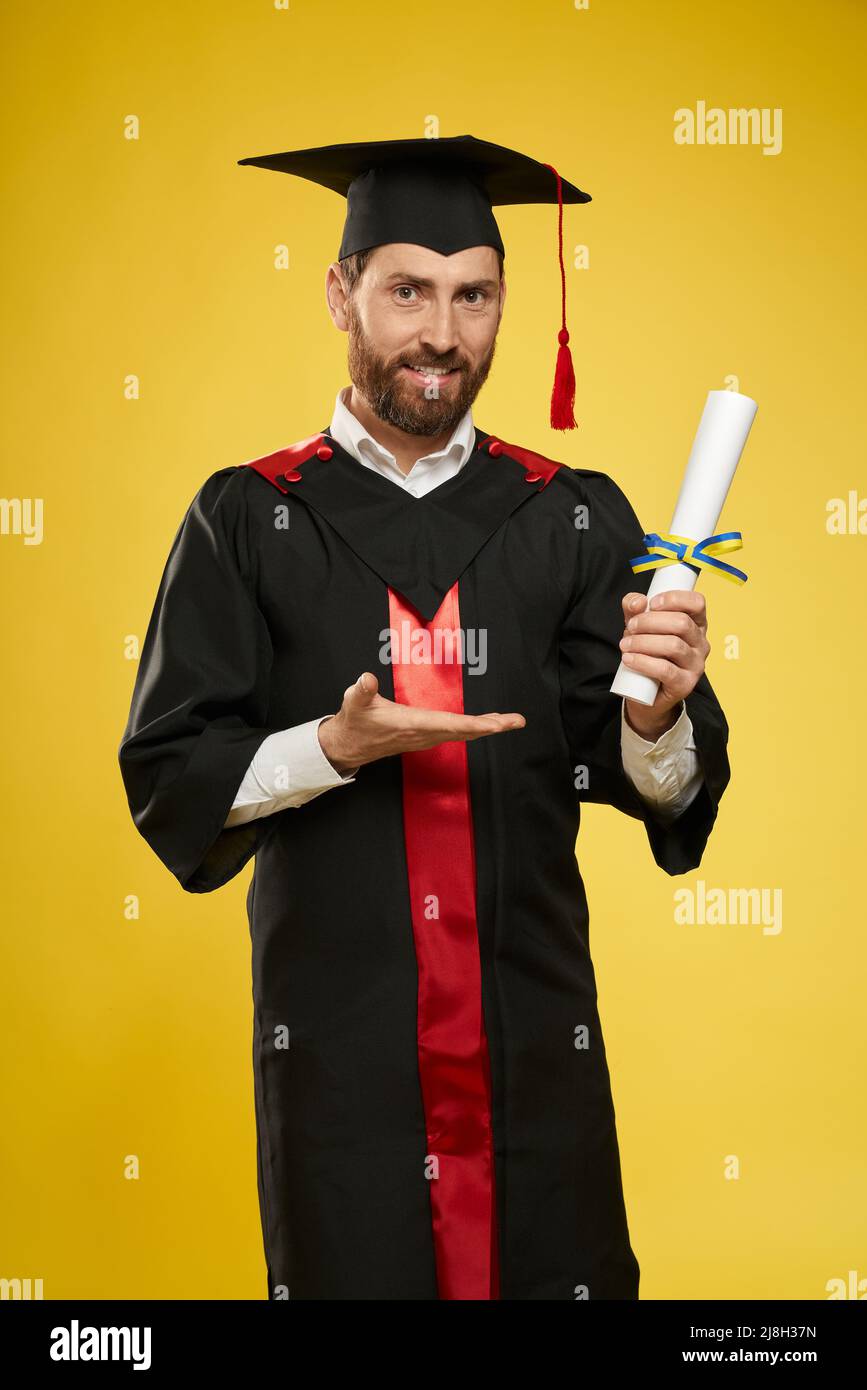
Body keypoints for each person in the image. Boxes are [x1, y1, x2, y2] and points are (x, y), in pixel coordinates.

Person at [118, 135, 731, 1301]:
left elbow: (655, 784)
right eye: (406, 291)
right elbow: (168, 777)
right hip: (341, 1054)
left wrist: (658, 719)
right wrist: (330, 749)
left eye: (475, 295)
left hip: (533, 1037)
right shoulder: (246, 517)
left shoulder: (577, 518)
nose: (442, 333)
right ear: (341, 292)